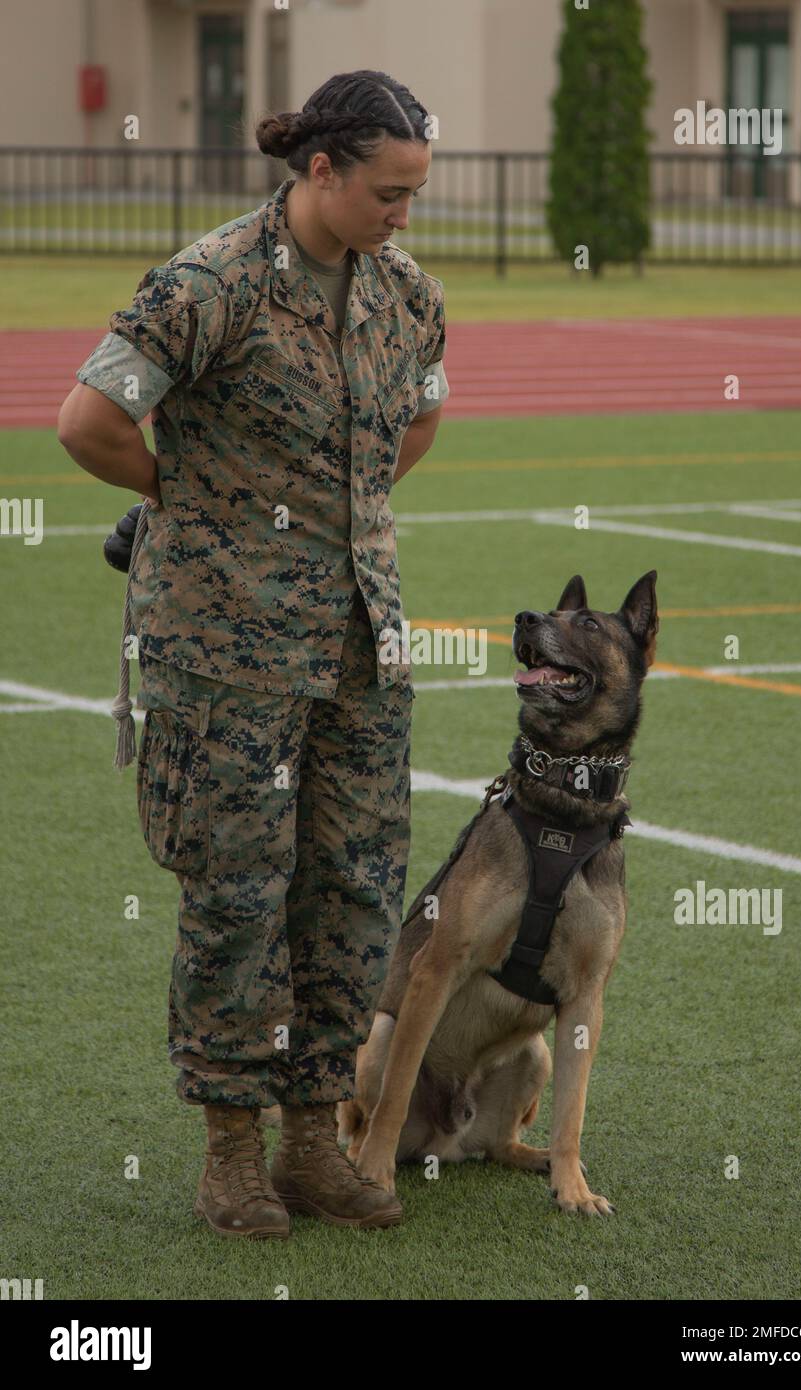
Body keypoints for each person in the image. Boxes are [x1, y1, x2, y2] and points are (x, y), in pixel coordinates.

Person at [57, 70, 449, 1239]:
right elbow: (88, 421)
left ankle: (312, 1144)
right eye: (386, 191)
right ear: (318, 169)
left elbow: (421, 411)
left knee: (353, 894)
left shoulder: (407, 294)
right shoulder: (210, 283)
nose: (401, 214)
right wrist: (193, 499)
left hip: (358, 648)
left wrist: (347, 507)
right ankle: (231, 1154)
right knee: (237, 898)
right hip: (225, 654)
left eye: (414, 194)